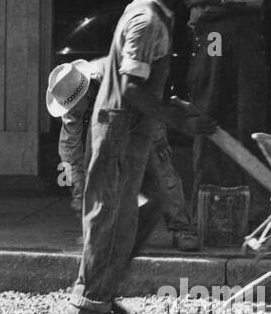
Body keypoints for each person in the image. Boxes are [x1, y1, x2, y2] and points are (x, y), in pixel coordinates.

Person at [68, 0, 216, 314]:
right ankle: (90, 302)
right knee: (110, 215)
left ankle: (101, 290)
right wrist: (177, 119)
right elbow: (132, 87)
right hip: (121, 125)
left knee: (145, 208)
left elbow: (145, 80)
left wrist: (170, 103)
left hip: (135, 128)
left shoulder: (155, 15)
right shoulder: (147, 19)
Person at [48, 56, 200, 251]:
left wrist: (158, 134)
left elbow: (148, 99)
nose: (72, 112)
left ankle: (182, 228)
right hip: (104, 122)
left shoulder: (116, 76)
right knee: (95, 172)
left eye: (74, 107)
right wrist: (79, 191)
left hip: (141, 114)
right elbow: (69, 149)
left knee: (161, 169)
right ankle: (101, 229)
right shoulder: (70, 97)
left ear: (86, 93)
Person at [185, 0, 271, 220]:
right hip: (214, 40)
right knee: (209, 110)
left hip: (247, 43)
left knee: (248, 117)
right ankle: (205, 205)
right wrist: (230, 2)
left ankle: (254, 207)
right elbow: (197, 5)